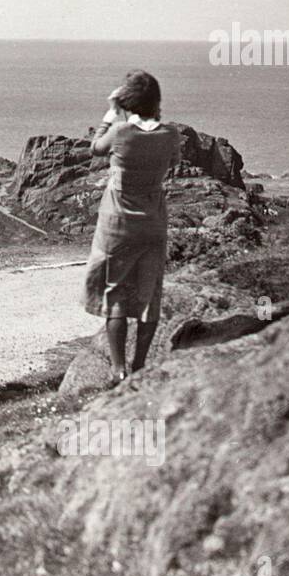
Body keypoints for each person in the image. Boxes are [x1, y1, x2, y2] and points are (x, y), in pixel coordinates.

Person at [82, 70, 183, 386]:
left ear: (128, 101)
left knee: (116, 296)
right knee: (149, 294)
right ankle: (139, 363)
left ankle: (118, 368)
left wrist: (111, 113)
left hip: (118, 222)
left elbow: (95, 148)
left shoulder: (121, 132)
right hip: (153, 220)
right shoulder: (170, 135)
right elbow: (176, 160)